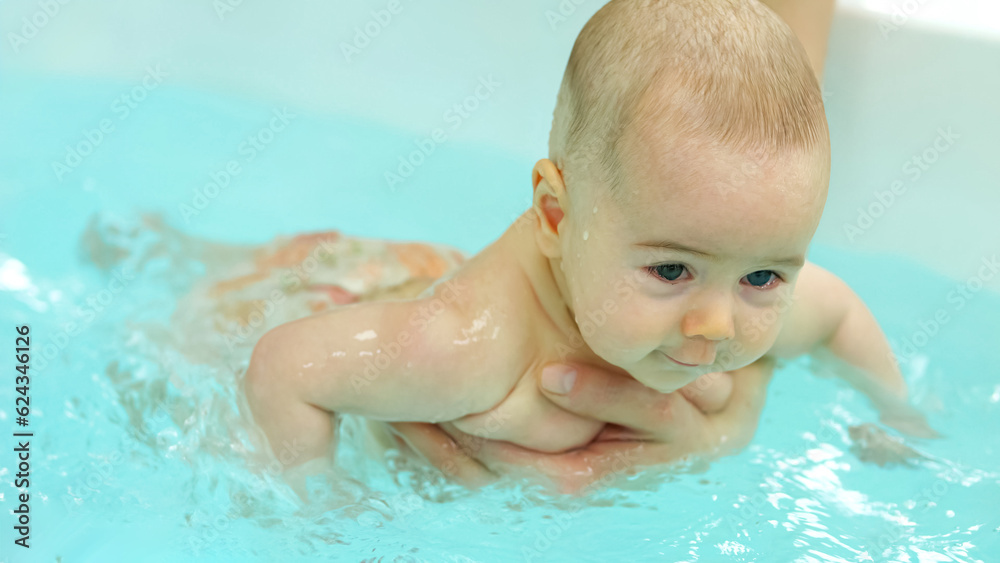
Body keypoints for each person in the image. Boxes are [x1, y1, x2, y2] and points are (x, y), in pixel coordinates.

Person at [243, 0, 923, 498]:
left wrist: (897, 421)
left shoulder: (727, 264)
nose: (716, 324)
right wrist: (320, 515)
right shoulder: (468, 348)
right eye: (670, 269)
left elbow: (838, 316)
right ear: (554, 215)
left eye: (764, 277)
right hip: (324, 282)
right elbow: (282, 366)